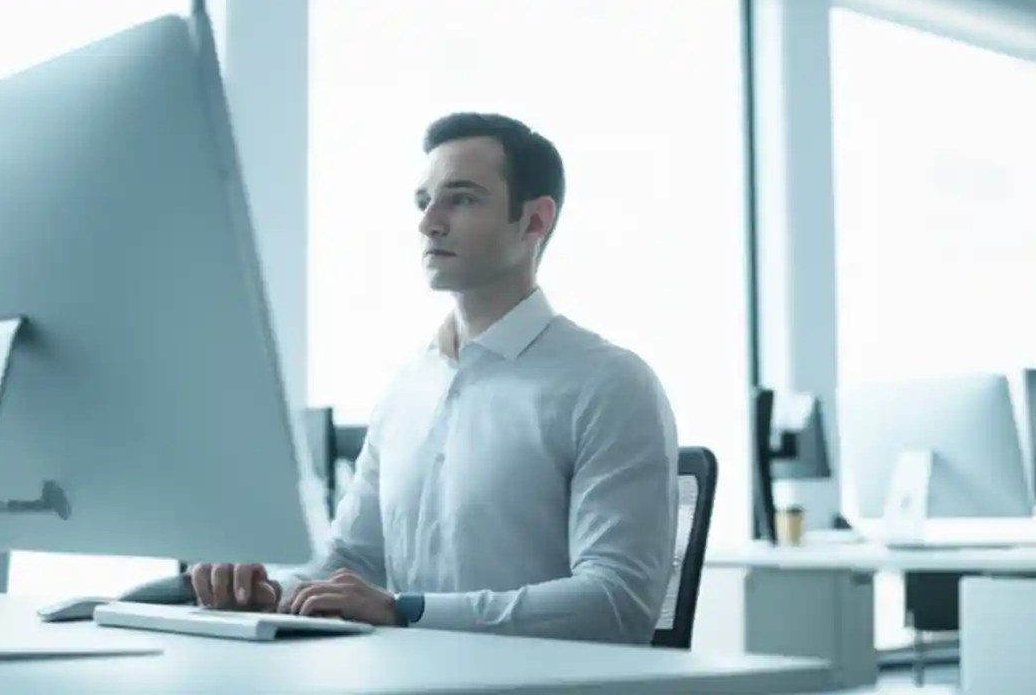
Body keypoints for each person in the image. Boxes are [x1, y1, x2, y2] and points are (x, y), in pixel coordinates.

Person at [190, 112, 678, 645]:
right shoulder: (406, 389)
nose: (429, 223)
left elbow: (617, 603)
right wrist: (274, 592)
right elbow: (352, 559)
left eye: (462, 199)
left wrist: (406, 611)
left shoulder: (609, 384)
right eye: (425, 202)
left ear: (534, 221)